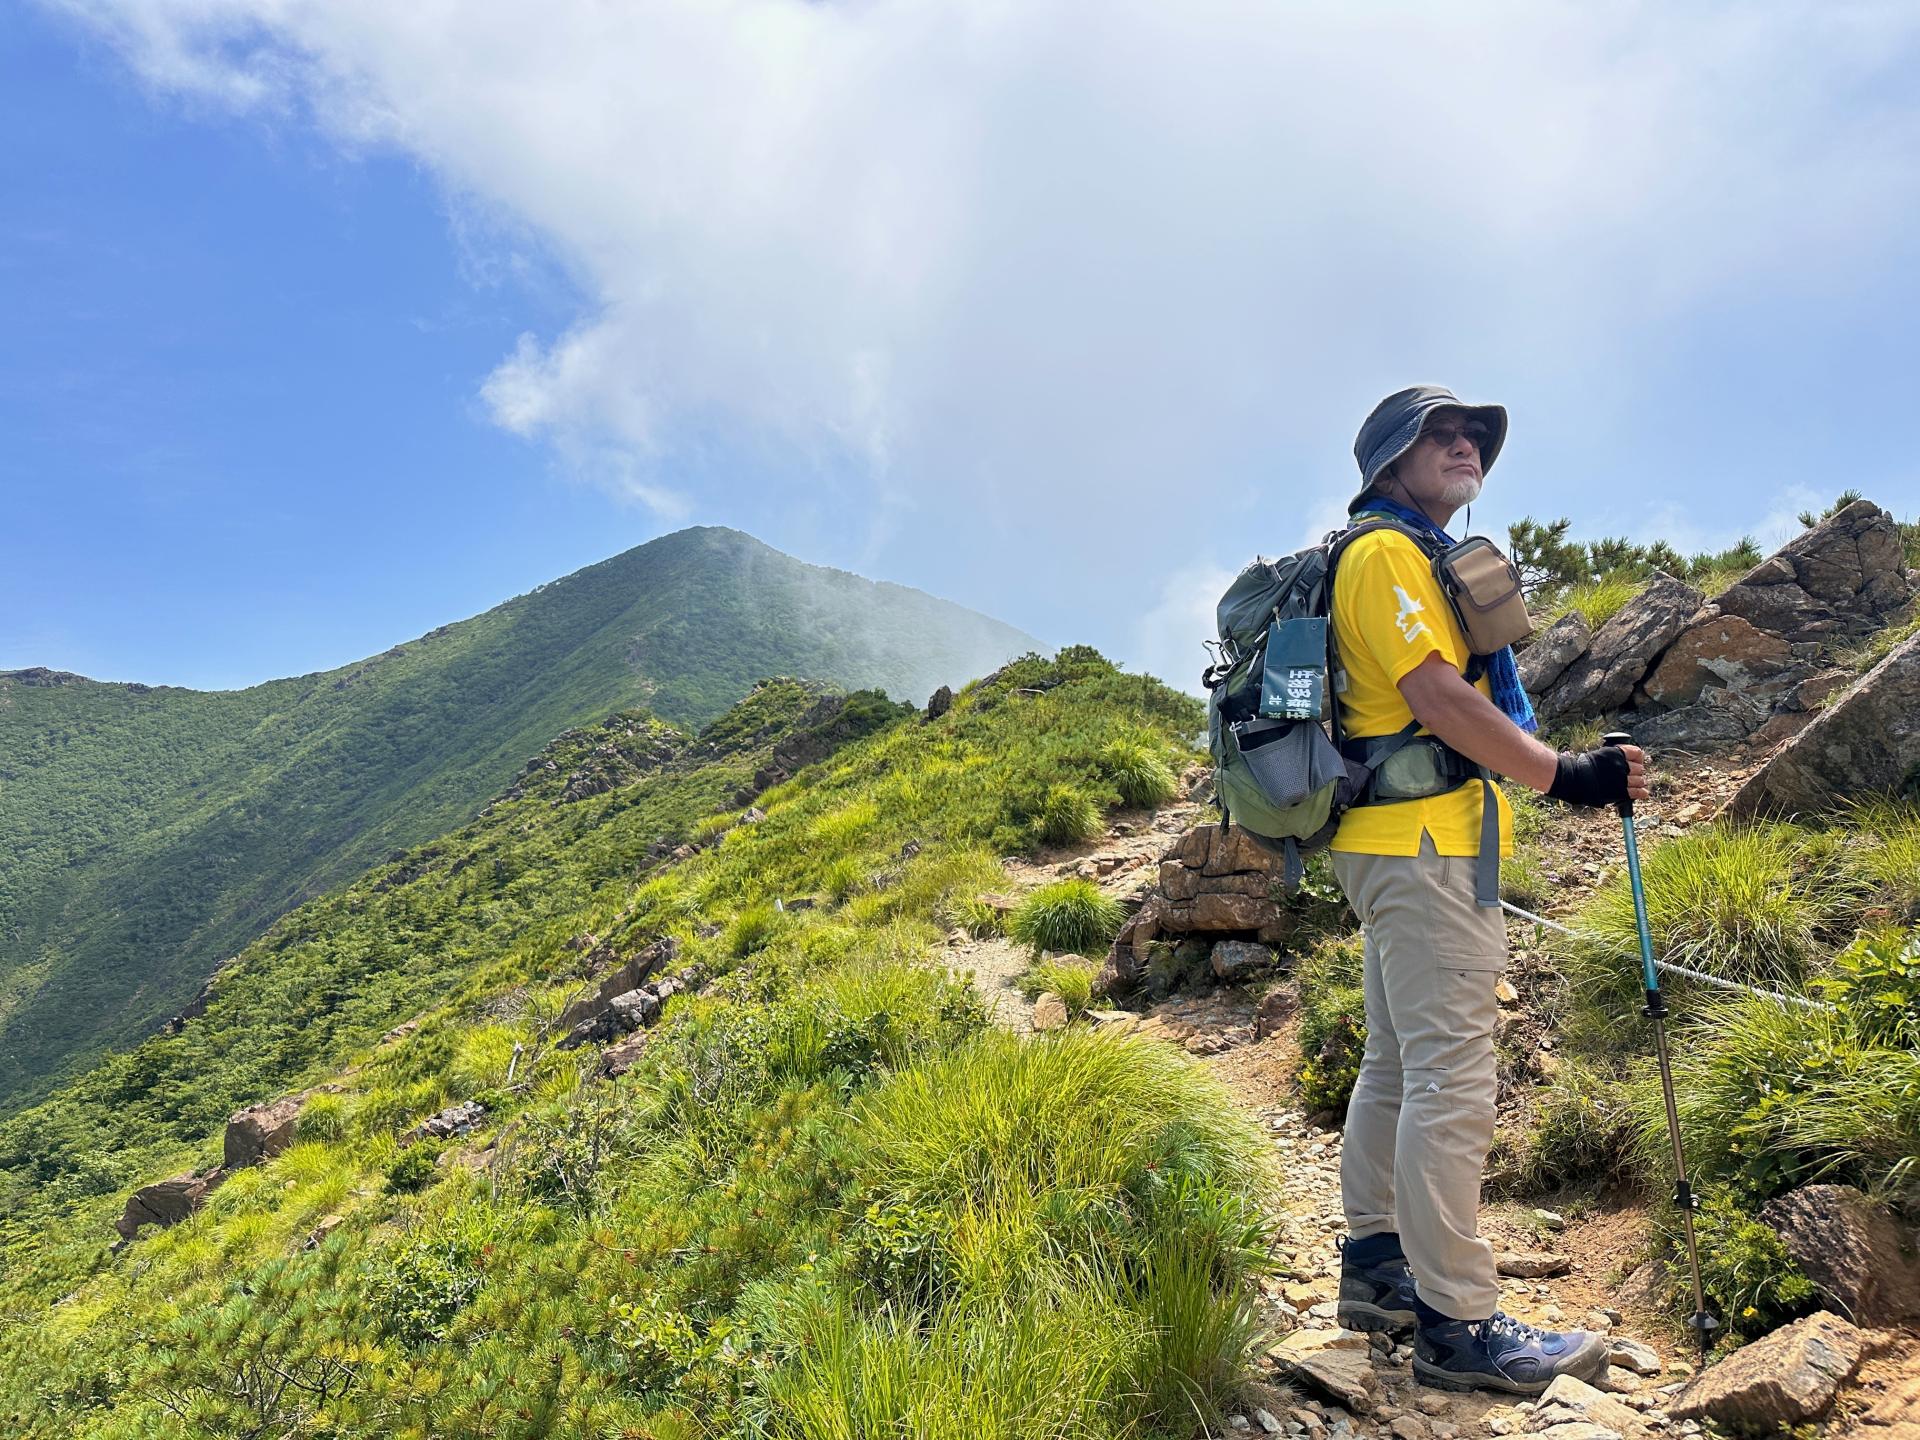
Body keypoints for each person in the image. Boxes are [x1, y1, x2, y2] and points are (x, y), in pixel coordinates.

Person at [1326, 385, 1650, 1396]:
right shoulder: (1387, 554)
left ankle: (1379, 1267)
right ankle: (1457, 1324)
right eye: (1441, 432)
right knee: (1451, 1079)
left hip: (1392, 842)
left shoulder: (1399, 552)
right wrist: (1566, 775)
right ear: (1389, 461)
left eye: (1474, 434)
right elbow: (1434, 693)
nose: (1466, 443)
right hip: (1423, 846)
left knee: (1397, 1061)